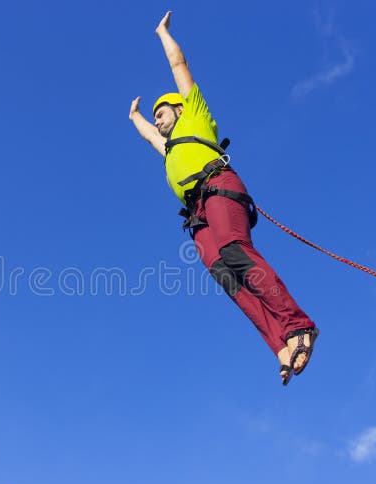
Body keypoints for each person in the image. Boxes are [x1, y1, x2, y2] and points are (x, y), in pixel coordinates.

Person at [128, 11, 319, 386]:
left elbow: (178, 64)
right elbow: (151, 137)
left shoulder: (195, 115)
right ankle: (280, 344)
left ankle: (299, 326)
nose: (159, 119)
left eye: (161, 112)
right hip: (196, 214)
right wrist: (134, 117)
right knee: (225, 276)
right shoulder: (168, 148)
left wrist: (161, 33)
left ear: (180, 108)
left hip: (218, 186)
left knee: (235, 250)